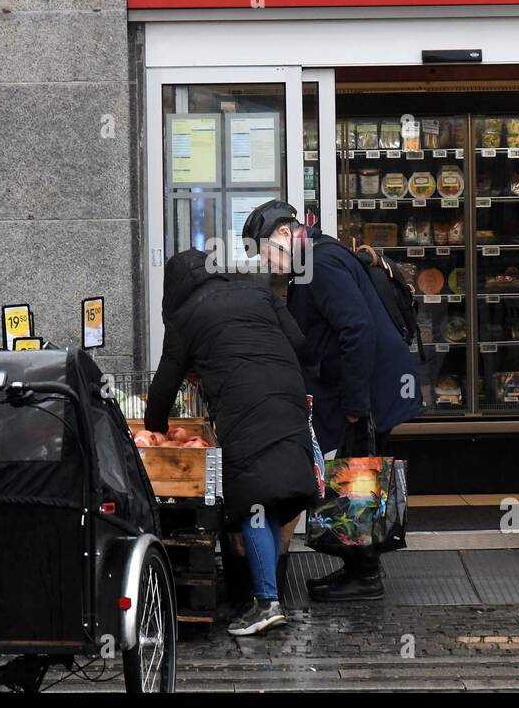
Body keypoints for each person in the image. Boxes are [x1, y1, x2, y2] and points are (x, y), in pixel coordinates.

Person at [243, 200, 423, 601]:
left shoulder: (320, 265)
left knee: (355, 477)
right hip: (360, 390)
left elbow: (357, 330)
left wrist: (356, 406)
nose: (269, 264)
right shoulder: (316, 257)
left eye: (267, 252)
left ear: (286, 235)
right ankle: (356, 567)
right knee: (352, 475)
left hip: (366, 394)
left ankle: (366, 576)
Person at [145, 249, 318, 636]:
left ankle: (266, 603)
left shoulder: (187, 316)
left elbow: (164, 384)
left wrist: (155, 429)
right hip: (288, 396)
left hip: (243, 407)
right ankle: (269, 595)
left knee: (252, 502)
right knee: (270, 499)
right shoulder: (258, 294)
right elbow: (300, 344)